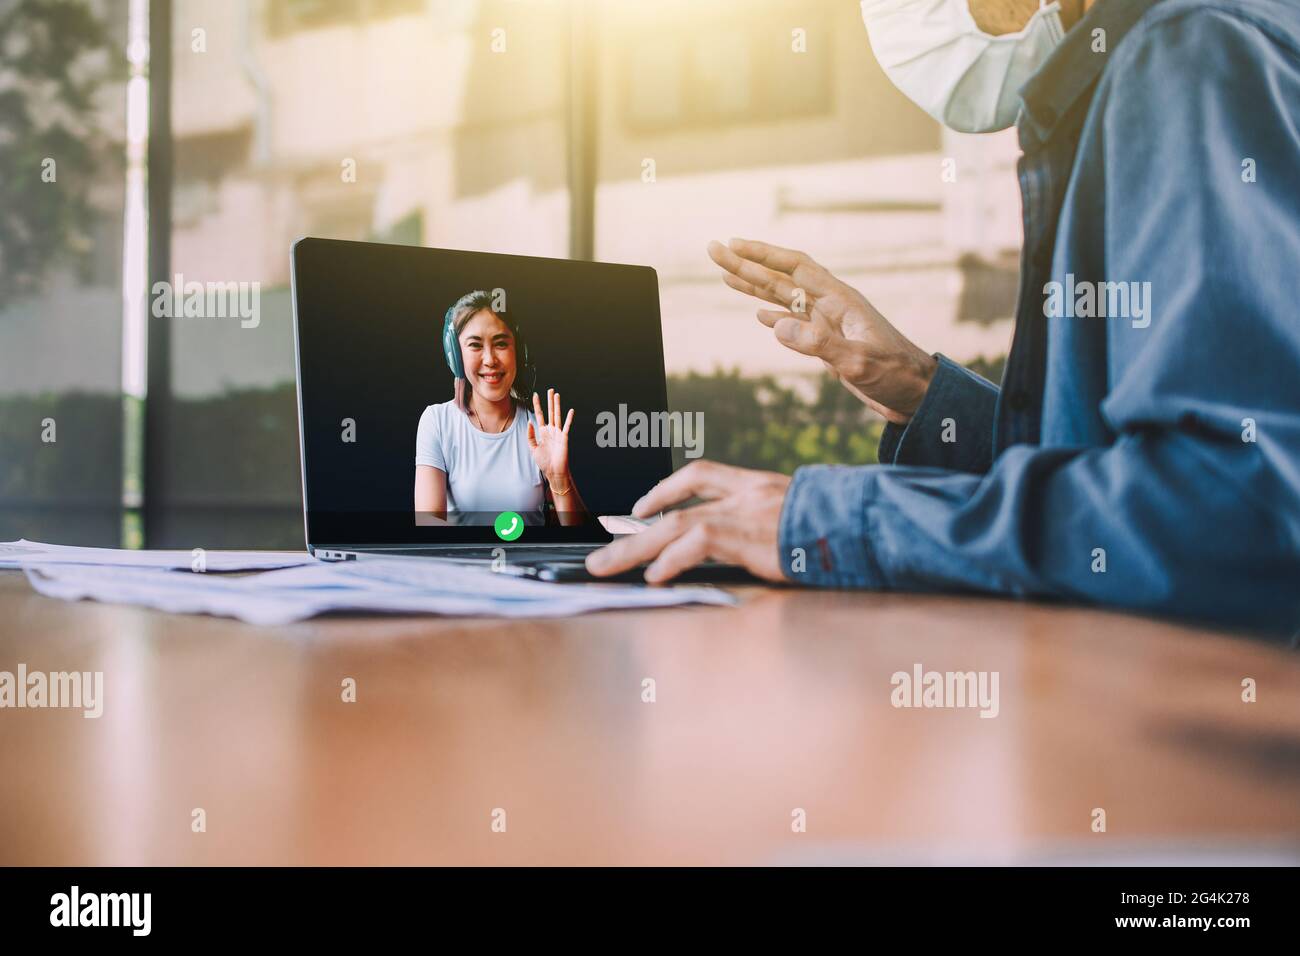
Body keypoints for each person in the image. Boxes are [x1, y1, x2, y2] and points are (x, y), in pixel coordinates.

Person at [587, 0, 1300, 636]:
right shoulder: (1164, 60)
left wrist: (828, 520)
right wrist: (923, 390)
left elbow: (1233, 519)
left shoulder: (1188, 51)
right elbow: (1110, 481)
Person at [414, 290, 585, 524]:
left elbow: (580, 539)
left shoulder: (539, 429)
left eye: (501, 343)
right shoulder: (437, 421)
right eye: (475, 345)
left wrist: (559, 479)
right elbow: (427, 525)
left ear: (518, 351)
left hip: (531, 561)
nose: (490, 360)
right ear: (455, 355)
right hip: (463, 560)